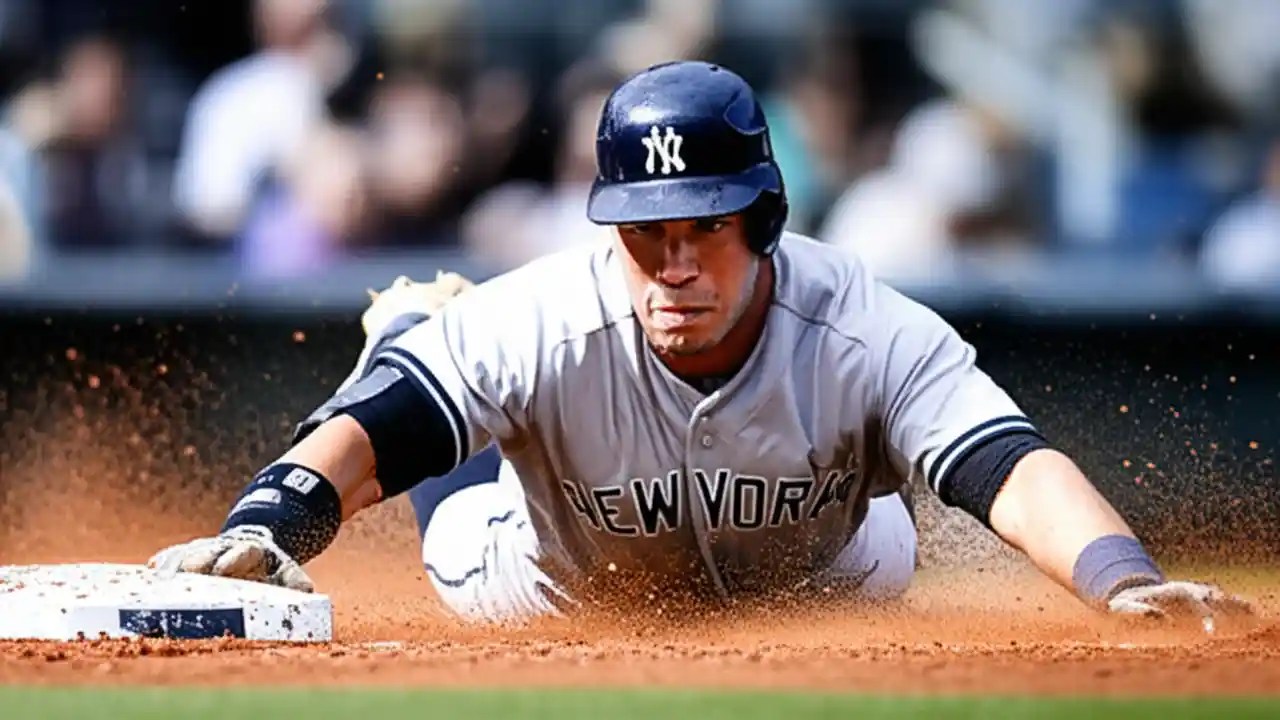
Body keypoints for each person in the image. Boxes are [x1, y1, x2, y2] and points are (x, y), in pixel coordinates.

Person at [150, 61, 1250, 625]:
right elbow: (372, 434)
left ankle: (879, 460)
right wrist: (272, 516)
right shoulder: (549, 308)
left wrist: (1121, 579)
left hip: (833, 577)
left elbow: (1010, 464)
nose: (672, 262)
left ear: (764, 221)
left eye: (704, 229)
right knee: (443, 427)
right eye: (643, 234)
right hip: (554, 584)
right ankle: (410, 332)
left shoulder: (857, 318)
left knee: (922, 488)